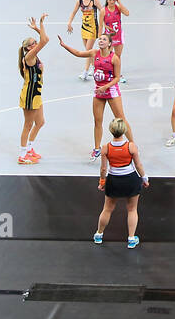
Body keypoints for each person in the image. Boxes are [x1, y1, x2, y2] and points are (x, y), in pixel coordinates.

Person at [58, 32, 132, 159]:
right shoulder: (94, 53)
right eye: (100, 39)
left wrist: (105, 86)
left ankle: (132, 144)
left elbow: (117, 78)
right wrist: (64, 45)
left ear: (109, 43)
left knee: (121, 119)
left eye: (104, 39)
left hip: (111, 91)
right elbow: (78, 53)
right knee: (97, 121)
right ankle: (97, 149)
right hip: (98, 92)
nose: (101, 41)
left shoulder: (114, 58)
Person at [95, 117, 149, 249]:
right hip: (131, 180)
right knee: (132, 209)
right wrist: (145, 178)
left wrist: (102, 182)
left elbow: (103, 169)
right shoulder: (131, 146)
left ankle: (99, 234)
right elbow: (138, 165)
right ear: (124, 130)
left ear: (111, 130)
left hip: (114, 180)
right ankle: (131, 238)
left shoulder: (105, 148)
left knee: (107, 209)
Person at [18, 14, 50, 165]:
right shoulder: (30, 56)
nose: (36, 43)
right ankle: (22, 155)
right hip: (30, 95)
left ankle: (30, 148)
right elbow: (45, 40)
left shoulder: (35, 56)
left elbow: (44, 40)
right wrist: (41, 24)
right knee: (28, 125)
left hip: (36, 94)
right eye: (33, 43)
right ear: (29, 47)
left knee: (40, 122)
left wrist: (37, 28)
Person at [66, 0, 102, 82]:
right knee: (88, 51)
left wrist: (104, 24)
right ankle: (95, 68)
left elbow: (102, 11)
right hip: (84, 28)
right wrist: (69, 22)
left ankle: (85, 72)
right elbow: (74, 12)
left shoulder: (94, 0)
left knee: (87, 50)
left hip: (93, 28)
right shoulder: (80, 0)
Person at [102, 0, 129, 83]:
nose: (112, 1)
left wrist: (120, 2)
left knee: (117, 56)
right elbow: (101, 24)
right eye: (110, 0)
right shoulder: (104, 10)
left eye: (114, 0)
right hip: (109, 37)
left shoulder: (118, 8)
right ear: (107, 0)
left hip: (118, 35)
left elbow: (127, 13)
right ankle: (109, 73)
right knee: (108, 56)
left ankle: (118, 74)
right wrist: (100, 37)